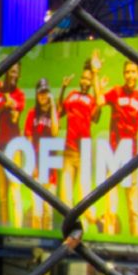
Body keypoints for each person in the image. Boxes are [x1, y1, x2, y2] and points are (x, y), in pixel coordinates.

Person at [97, 60, 138, 237]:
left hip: (132, 158)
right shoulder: (115, 91)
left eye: (133, 72)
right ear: (124, 74)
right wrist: (96, 74)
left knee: (134, 209)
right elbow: (99, 101)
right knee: (110, 208)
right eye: (127, 72)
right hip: (114, 156)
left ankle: (136, 244)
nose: (130, 75)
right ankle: (107, 241)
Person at [0, 61, 26, 228]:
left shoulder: (20, 94)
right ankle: (5, 228)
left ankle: (17, 228)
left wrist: (7, 100)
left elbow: (15, 116)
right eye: (10, 71)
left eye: (15, 72)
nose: (13, 74)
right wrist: (4, 104)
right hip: (1, 147)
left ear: (18, 75)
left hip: (14, 148)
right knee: (2, 194)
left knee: (15, 191)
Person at [22, 78, 60, 229]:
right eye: (40, 93)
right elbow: (28, 140)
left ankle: (47, 249)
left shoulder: (53, 113)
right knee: (37, 212)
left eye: (46, 93)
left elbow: (56, 131)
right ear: (37, 95)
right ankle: (36, 247)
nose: (43, 96)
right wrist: (32, 165)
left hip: (50, 168)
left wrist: (53, 106)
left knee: (48, 212)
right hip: (37, 167)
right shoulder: (32, 114)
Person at [60, 67, 97, 208]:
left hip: (83, 152)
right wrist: (63, 88)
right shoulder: (72, 95)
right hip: (69, 151)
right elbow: (61, 110)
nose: (84, 81)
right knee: (65, 199)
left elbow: (96, 117)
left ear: (92, 82)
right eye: (83, 78)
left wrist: (99, 97)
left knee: (84, 197)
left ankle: (96, 221)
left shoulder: (92, 100)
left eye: (88, 79)